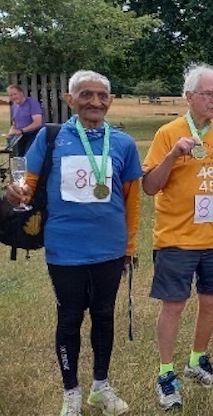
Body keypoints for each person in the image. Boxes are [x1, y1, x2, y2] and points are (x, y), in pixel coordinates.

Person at [5, 70, 140, 416]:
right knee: (69, 318)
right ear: (70, 99)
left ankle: (100, 387)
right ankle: (71, 393)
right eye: (86, 94)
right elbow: (27, 184)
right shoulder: (51, 137)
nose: (95, 101)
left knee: (104, 316)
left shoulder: (123, 143)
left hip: (110, 248)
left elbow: (132, 201)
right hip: (65, 248)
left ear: (110, 101)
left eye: (102, 96)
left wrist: (129, 248)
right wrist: (18, 191)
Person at [142, 63, 213, 410]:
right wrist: (173, 155)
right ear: (189, 96)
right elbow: (150, 186)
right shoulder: (168, 133)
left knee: (212, 302)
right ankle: (166, 373)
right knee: (174, 306)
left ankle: (197, 359)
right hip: (177, 239)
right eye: (207, 94)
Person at [6, 84, 44, 156]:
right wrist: (11, 132)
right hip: (22, 136)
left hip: (35, 135)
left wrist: (21, 131)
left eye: (15, 94)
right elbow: (15, 123)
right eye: (11, 95)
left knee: (29, 157)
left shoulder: (32, 103)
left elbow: (38, 123)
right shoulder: (14, 106)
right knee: (20, 157)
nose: (13, 97)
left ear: (21, 93)